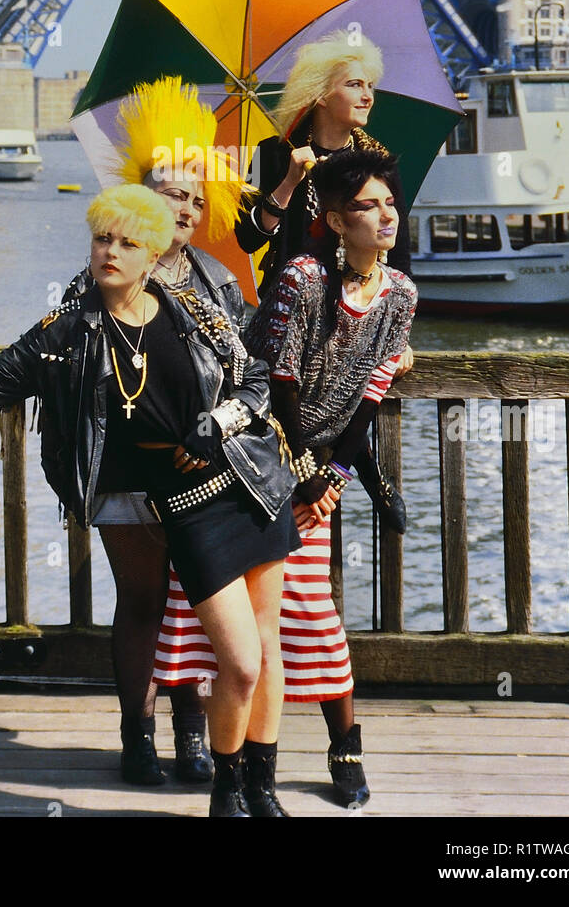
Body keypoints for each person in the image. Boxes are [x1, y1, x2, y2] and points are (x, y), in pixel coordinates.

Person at [0, 183, 299, 818]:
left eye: (129, 243)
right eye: (103, 238)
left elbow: (254, 377)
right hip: (174, 503)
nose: (112, 252)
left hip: (245, 487)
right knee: (233, 659)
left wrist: (219, 423)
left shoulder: (194, 313)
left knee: (263, 650)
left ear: (154, 256)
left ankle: (256, 792)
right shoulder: (66, 332)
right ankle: (208, 780)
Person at [48, 77, 248, 788]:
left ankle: (193, 732)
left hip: (200, 472)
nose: (186, 207)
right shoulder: (98, 273)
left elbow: (246, 371)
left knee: (199, 600)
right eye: (172, 192)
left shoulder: (221, 281)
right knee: (141, 601)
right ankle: (138, 739)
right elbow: (56, 366)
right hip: (125, 471)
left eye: (198, 197)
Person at [247, 146, 417, 805]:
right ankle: (215, 751)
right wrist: (304, 469)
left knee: (309, 610)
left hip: (320, 467)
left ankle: (345, 742)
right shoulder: (301, 278)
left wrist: (334, 475)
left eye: (389, 203)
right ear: (337, 220)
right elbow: (279, 380)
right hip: (258, 454)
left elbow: (370, 396)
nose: (385, 216)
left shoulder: (399, 295)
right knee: (225, 611)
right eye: (366, 207)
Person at [236, 31, 411, 530]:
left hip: (360, 302)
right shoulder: (275, 152)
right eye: (354, 84)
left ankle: (348, 475)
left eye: (370, 85)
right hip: (294, 305)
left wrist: (404, 335)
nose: (368, 95)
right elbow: (249, 239)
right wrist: (289, 181)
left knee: (361, 375)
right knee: (290, 388)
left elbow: (397, 244)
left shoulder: (376, 159)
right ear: (319, 94)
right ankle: (340, 480)